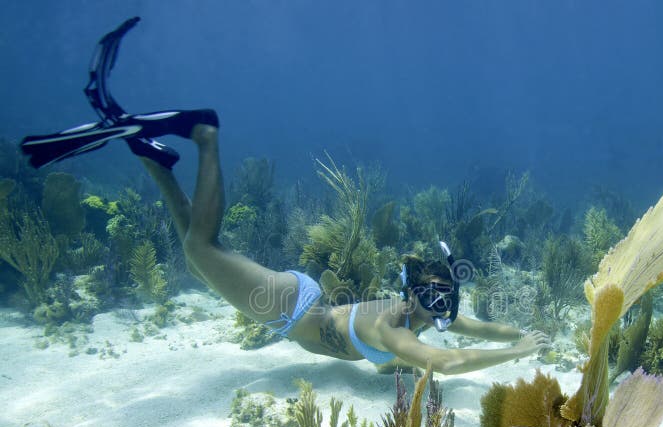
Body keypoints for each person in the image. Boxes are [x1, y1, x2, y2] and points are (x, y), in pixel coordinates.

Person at [21, 18, 549, 375]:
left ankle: (151, 155)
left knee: (196, 247)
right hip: (289, 309)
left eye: (444, 301)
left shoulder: (430, 313)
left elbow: (480, 326)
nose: (439, 307)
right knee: (200, 249)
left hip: (300, 304)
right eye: (432, 297)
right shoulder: (389, 327)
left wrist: (522, 334)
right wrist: (517, 354)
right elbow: (446, 363)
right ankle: (205, 135)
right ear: (410, 292)